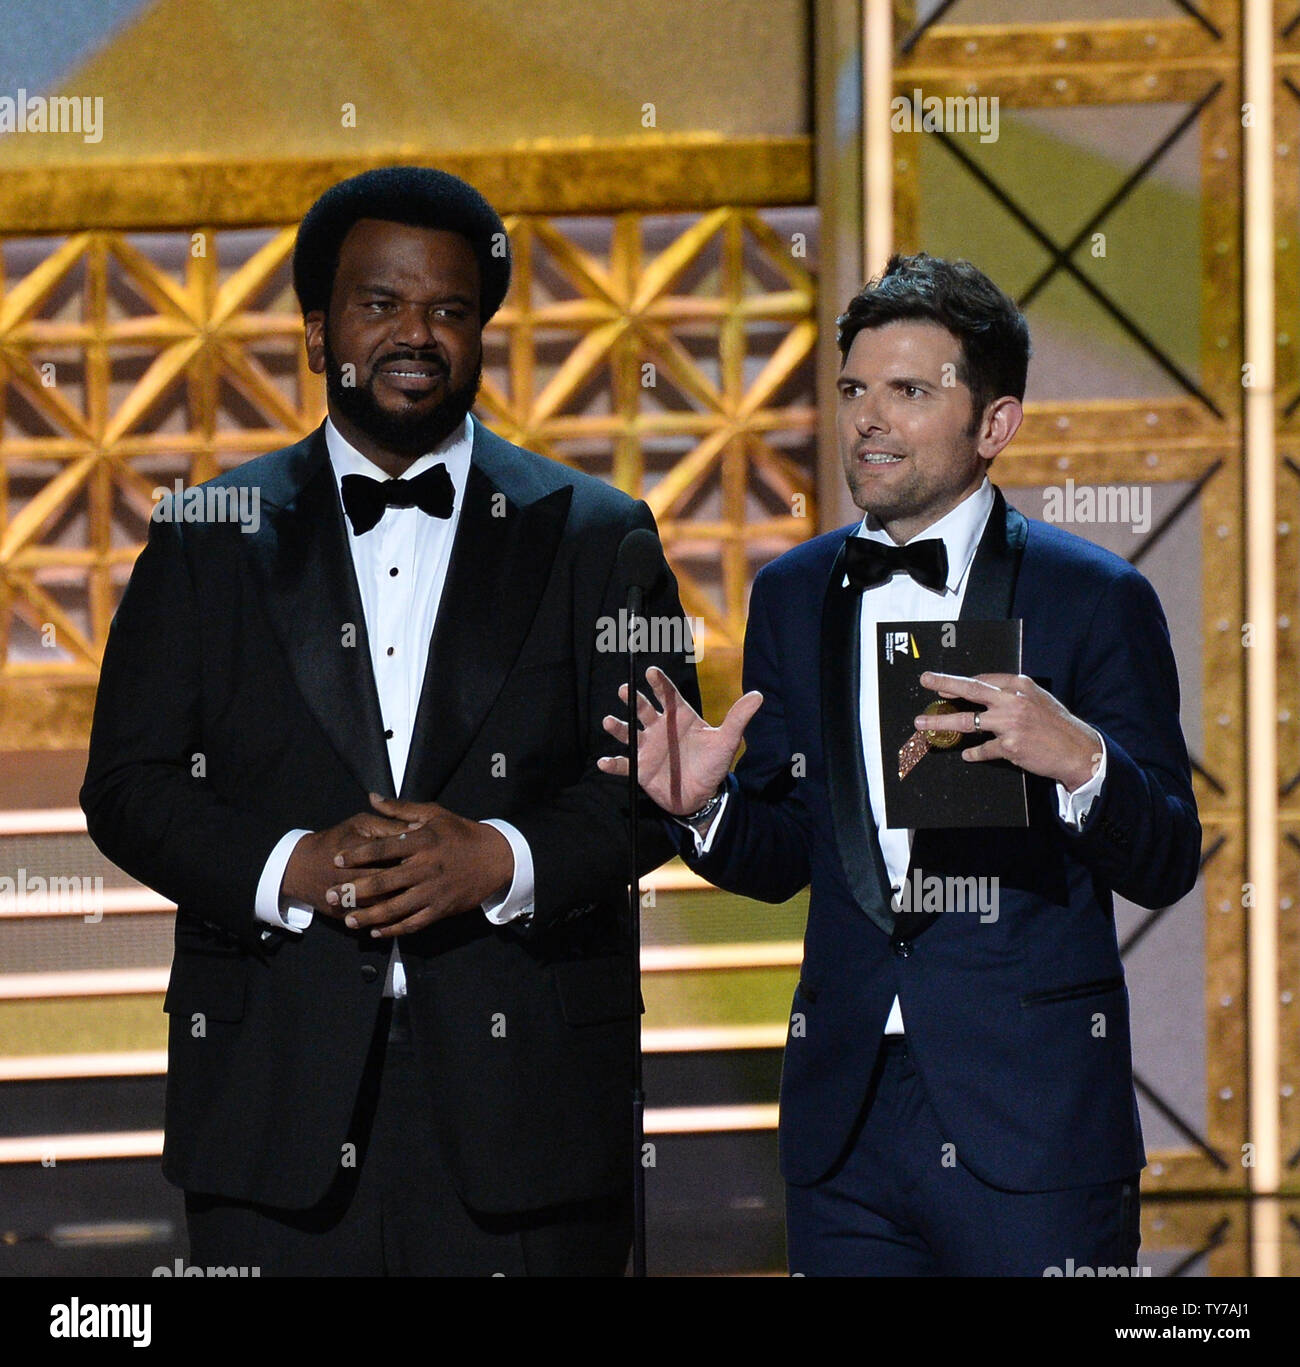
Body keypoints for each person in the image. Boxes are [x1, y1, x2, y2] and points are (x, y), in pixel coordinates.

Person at [80, 166, 697, 1276]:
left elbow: (654, 788)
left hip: (532, 1109)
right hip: (272, 1099)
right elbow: (128, 783)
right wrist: (291, 866)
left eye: (451, 310)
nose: (418, 333)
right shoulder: (204, 535)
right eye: (382, 304)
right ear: (319, 334)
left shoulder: (600, 535)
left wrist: (500, 858)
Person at [600, 253, 1201, 1276]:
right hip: (845, 1121)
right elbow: (789, 850)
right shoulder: (794, 592)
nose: (867, 419)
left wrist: (1081, 763)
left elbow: (1165, 858)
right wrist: (703, 815)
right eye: (852, 390)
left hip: (1032, 1117)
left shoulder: (1091, 596)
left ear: (994, 424)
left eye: (910, 391)